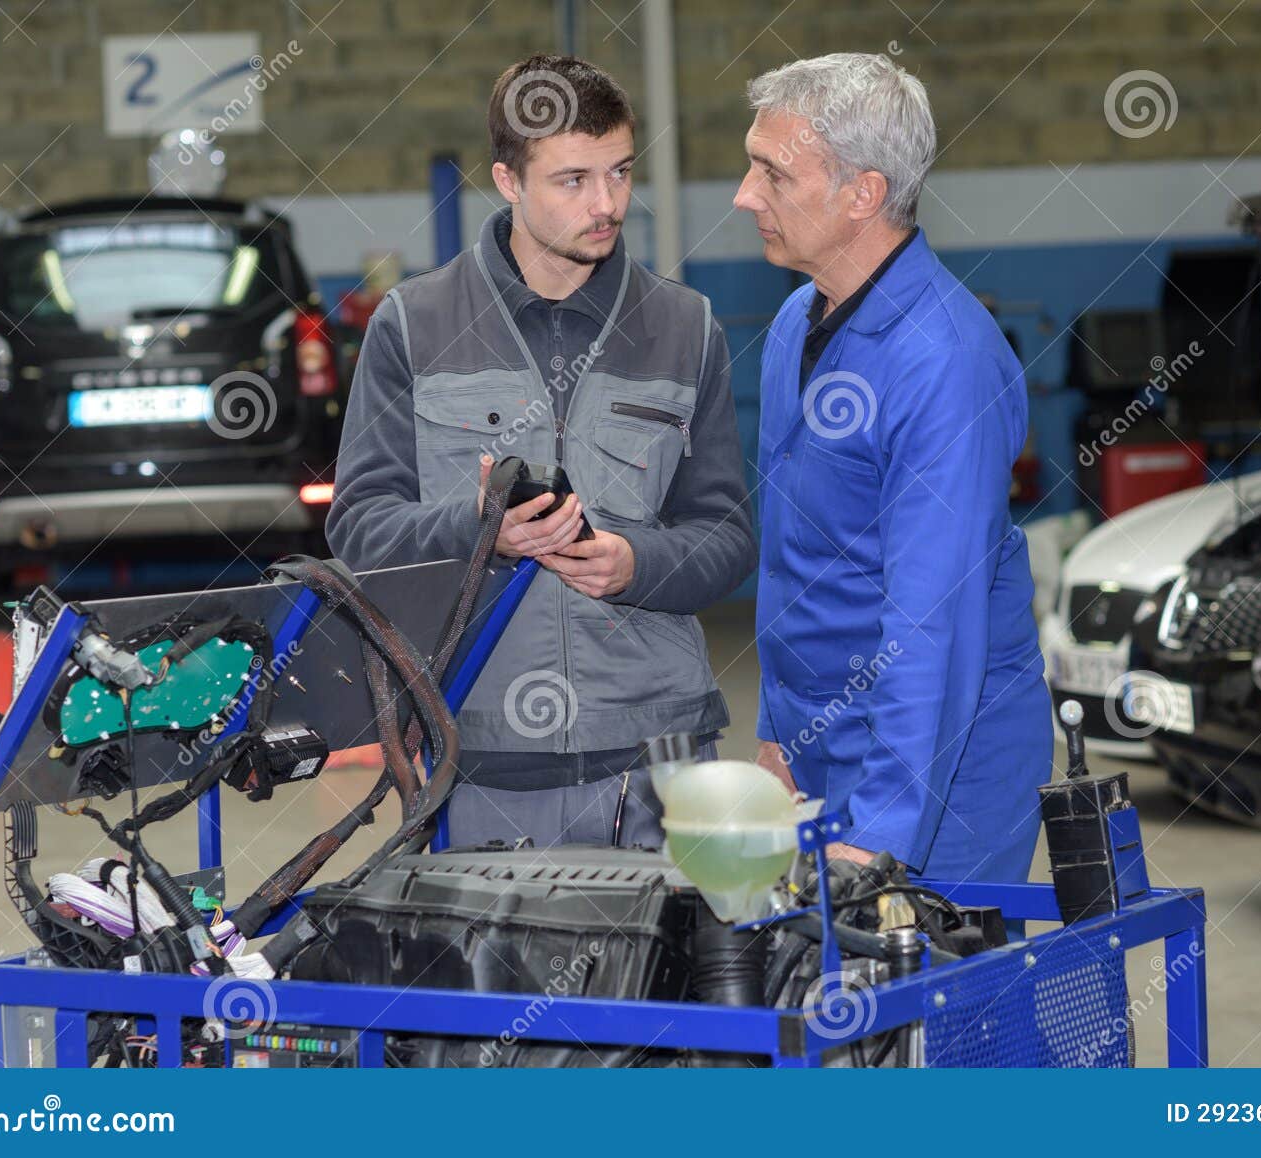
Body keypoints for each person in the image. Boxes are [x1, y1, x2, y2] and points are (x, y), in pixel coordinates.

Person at [327, 55, 755, 848]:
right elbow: (359, 529)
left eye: (621, 172)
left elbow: (727, 535)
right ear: (508, 181)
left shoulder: (685, 327)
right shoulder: (413, 326)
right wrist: (478, 529)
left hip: (658, 755)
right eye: (574, 180)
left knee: (671, 976)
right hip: (482, 753)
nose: (607, 204)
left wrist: (638, 565)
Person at [733, 53, 1050, 883]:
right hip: (820, 743)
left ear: (863, 193)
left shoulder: (943, 362)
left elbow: (934, 623)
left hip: (941, 769)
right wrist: (777, 732)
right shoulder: (796, 324)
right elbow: (788, 561)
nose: (744, 194)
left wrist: (877, 828)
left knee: (934, 1000)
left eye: (772, 172)